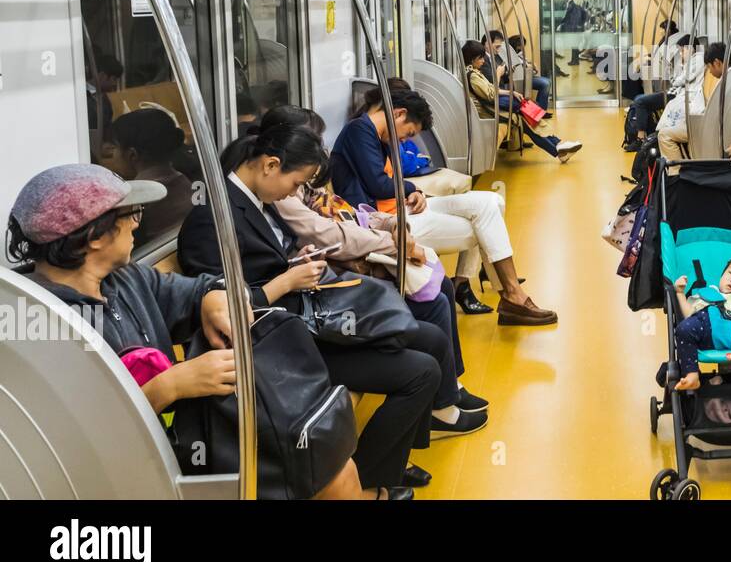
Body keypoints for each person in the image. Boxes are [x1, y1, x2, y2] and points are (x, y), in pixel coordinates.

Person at [7, 163, 362, 499]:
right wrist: (172, 385)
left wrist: (211, 299)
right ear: (95, 237)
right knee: (330, 477)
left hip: (182, 443)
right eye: (131, 215)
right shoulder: (42, 327)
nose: (136, 225)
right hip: (126, 475)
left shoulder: (126, 280)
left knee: (334, 468)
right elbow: (76, 438)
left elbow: (196, 290)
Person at [177, 123, 471, 498]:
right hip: (277, 351)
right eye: (297, 182)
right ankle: (364, 482)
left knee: (427, 338)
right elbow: (218, 305)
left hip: (303, 324)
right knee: (420, 371)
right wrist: (286, 280)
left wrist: (292, 266)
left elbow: (260, 269)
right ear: (270, 166)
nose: (295, 193)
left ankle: (388, 466)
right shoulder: (211, 219)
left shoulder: (254, 203)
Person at [260, 105, 489, 426]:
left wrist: (388, 225)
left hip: (354, 245)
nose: (319, 151)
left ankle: (450, 384)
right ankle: (442, 403)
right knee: (433, 302)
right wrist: (391, 242)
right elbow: (325, 232)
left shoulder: (301, 183)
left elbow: (349, 214)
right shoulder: (283, 192)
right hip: (333, 276)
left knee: (443, 286)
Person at [332, 84, 559, 325]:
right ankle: (511, 296)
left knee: (491, 202)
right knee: (485, 227)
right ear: (398, 113)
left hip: (403, 208)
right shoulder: (360, 131)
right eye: (408, 134)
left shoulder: (379, 136)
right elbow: (379, 185)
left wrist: (415, 191)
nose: (404, 139)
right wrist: (412, 188)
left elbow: (391, 182)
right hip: (385, 223)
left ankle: (510, 295)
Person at [463, 40, 582, 164]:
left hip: (493, 108)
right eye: (480, 58)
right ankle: (559, 147)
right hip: (490, 111)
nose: (483, 61)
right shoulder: (472, 76)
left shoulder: (475, 73)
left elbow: (491, 90)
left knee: (529, 119)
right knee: (527, 120)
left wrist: (511, 92)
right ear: (472, 59)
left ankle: (559, 148)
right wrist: (498, 74)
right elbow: (492, 94)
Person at [673, 253, 731, 404]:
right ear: (723, 274)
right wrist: (679, 293)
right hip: (702, 327)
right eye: (730, 273)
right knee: (682, 329)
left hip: (730, 332)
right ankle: (692, 375)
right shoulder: (707, 292)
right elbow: (688, 314)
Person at [98, 108, 194, 245]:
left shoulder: (137, 199)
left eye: (115, 148)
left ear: (132, 155)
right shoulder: (184, 181)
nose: (112, 154)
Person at [656, 40, 726, 161]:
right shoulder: (722, 80)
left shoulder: (722, 83)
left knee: (663, 135)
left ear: (717, 63)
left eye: (709, 67)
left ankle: (676, 172)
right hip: (704, 122)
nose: (709, 71)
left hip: (706, 127)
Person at [627, 31, 691, 146]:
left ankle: (640, 138)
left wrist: (671, 71)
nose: (681, 54)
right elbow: (675, 81)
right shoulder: (684, 64)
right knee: (639, 99)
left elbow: (677, 82)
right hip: (673, 93)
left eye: (682, 51)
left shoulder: (692, 65)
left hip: (675, 96)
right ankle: (645, 135)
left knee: (640, 101)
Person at [506, 34, 553, 117]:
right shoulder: (510, 54)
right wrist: (528, 66)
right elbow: (517, 66)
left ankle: (540, 110)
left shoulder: (519, 54)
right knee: (545, 83)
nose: (522, 48)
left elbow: (524, 63)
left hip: (525, 76)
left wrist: (530, 64)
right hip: (519, 79)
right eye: (520, 45)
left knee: (547, 81)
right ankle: (541, 111)